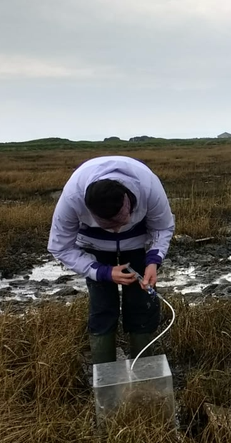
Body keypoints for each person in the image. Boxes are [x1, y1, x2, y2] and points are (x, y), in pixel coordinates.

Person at [48, 156, 176, 365]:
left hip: (137, 246)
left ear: (127, 201)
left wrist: (153, 260)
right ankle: (105, 373)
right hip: (94, 249)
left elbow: (163, 227)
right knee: (102, 306)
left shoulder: (149, 186)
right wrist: (101, 272)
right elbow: (59, 246)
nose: (116, 230)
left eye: (119, 222)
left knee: (142, 305)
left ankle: (144, 368)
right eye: (108, 225)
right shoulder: (73, 197)